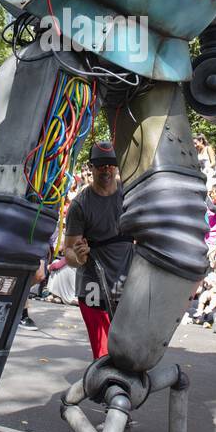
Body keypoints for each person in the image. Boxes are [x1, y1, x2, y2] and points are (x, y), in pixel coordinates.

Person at [63, 141, 132, 360]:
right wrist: (79, 258)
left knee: (128, 350)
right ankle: (106, 389)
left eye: (111, 164)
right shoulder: (80, 205)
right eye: (101, 164)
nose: (106, 169)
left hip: (128, 281)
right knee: (103, 354)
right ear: (91, 167)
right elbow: (69, 252)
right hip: (94, 283)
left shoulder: (130, 192)